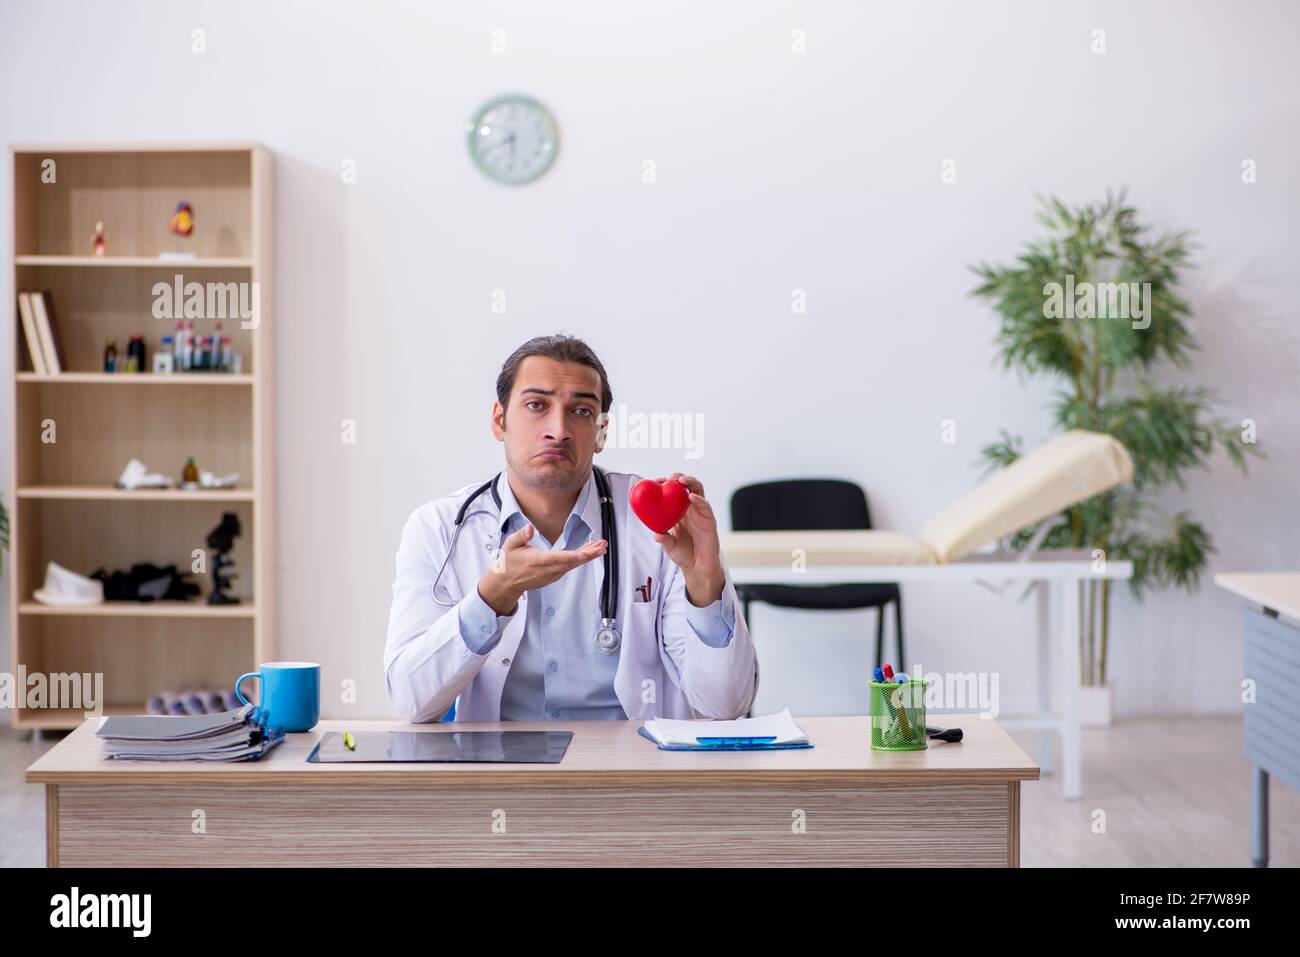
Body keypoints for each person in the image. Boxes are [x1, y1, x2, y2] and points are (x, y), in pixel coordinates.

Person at [384, 334, 759, 723]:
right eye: (536, 405)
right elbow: (412, 702)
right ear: (500, 421)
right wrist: (492, 596)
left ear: (601, 433)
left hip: (634, 772)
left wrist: (704, 579)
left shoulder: (661, 529)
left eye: (581, 411)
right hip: (501, 774)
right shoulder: (440, 529)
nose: (559, 429)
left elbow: (726, 704)